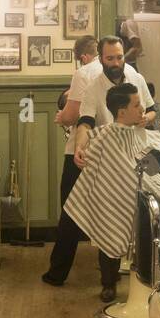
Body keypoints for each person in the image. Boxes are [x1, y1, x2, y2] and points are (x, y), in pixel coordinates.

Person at [53, 84, 146, 305]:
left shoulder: (135, 133)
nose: (142, 108)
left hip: (135, 194)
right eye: (137, 104)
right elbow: (87, 136)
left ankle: (143, 282)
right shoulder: (105, 134)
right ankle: (109, 282)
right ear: (122, 112)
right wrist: (81, 150)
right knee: (110, 224)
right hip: (112, 198)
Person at [70, 37, 155, 167]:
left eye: (119, 57)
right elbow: (85, 123)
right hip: (110, 153)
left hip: (139, 147)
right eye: (110, 59)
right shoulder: (92, 89)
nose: (116, 63)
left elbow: (152, 111)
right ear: (100, 59)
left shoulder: (137, 78)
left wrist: (146, 119)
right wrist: (79, 147)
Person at [52, 35, 100, 208]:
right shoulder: (126, 71)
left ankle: (70, 236)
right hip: (113, 148)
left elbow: (71, 116)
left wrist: (62, 117)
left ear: (83, 57)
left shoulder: (84, 72)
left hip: (83, 147)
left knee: (70, 205)